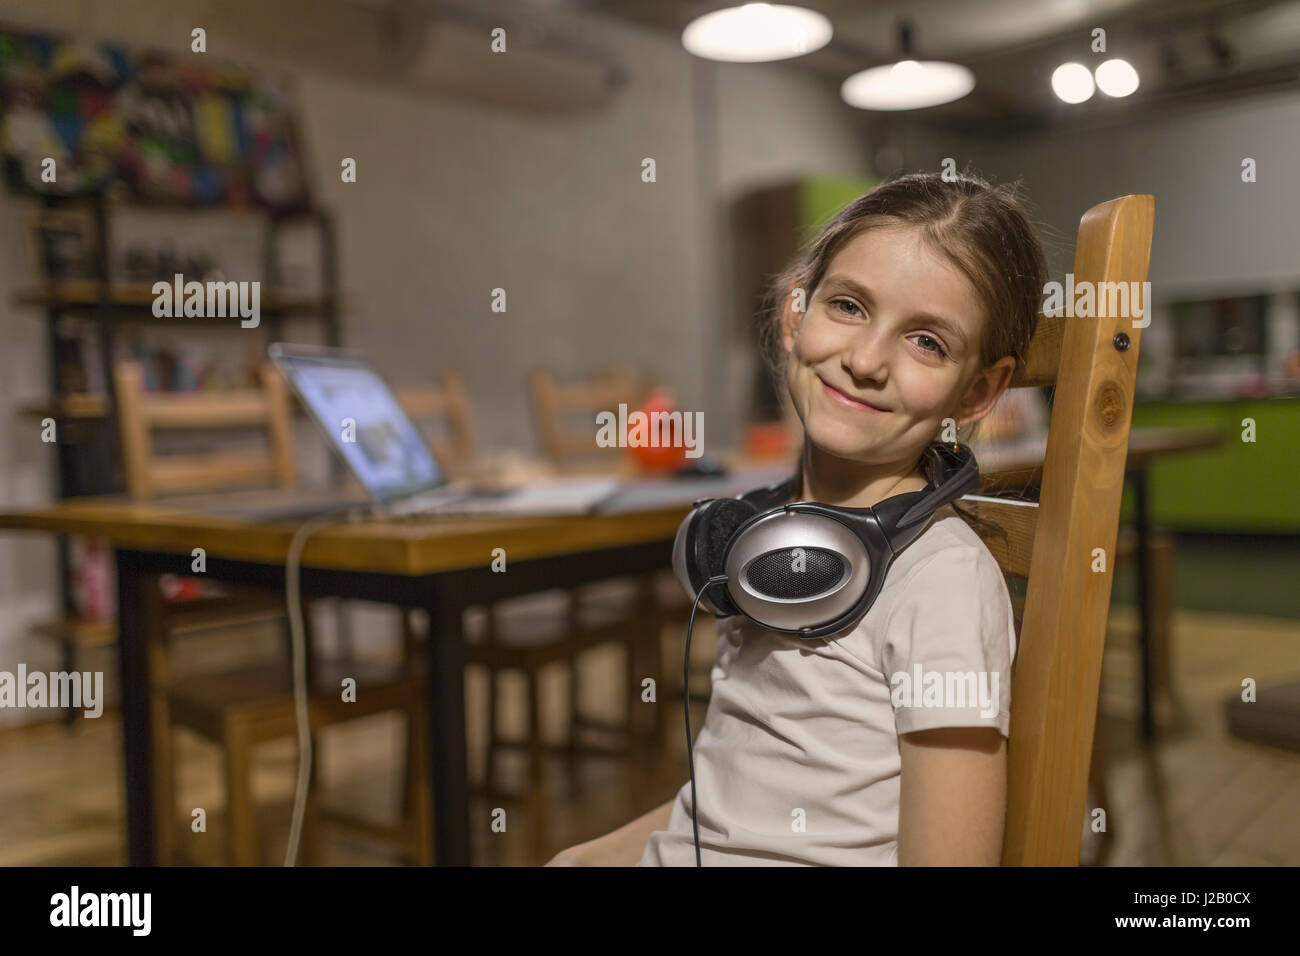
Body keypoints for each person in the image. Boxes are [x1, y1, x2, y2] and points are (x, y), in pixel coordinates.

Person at [548, 171, 1048, 866]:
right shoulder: (764, 542)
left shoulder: (943, 585)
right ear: (794, 315)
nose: (866, 360)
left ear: (979, 391)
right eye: (848, 306)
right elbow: (731, 805)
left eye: (927, 342)